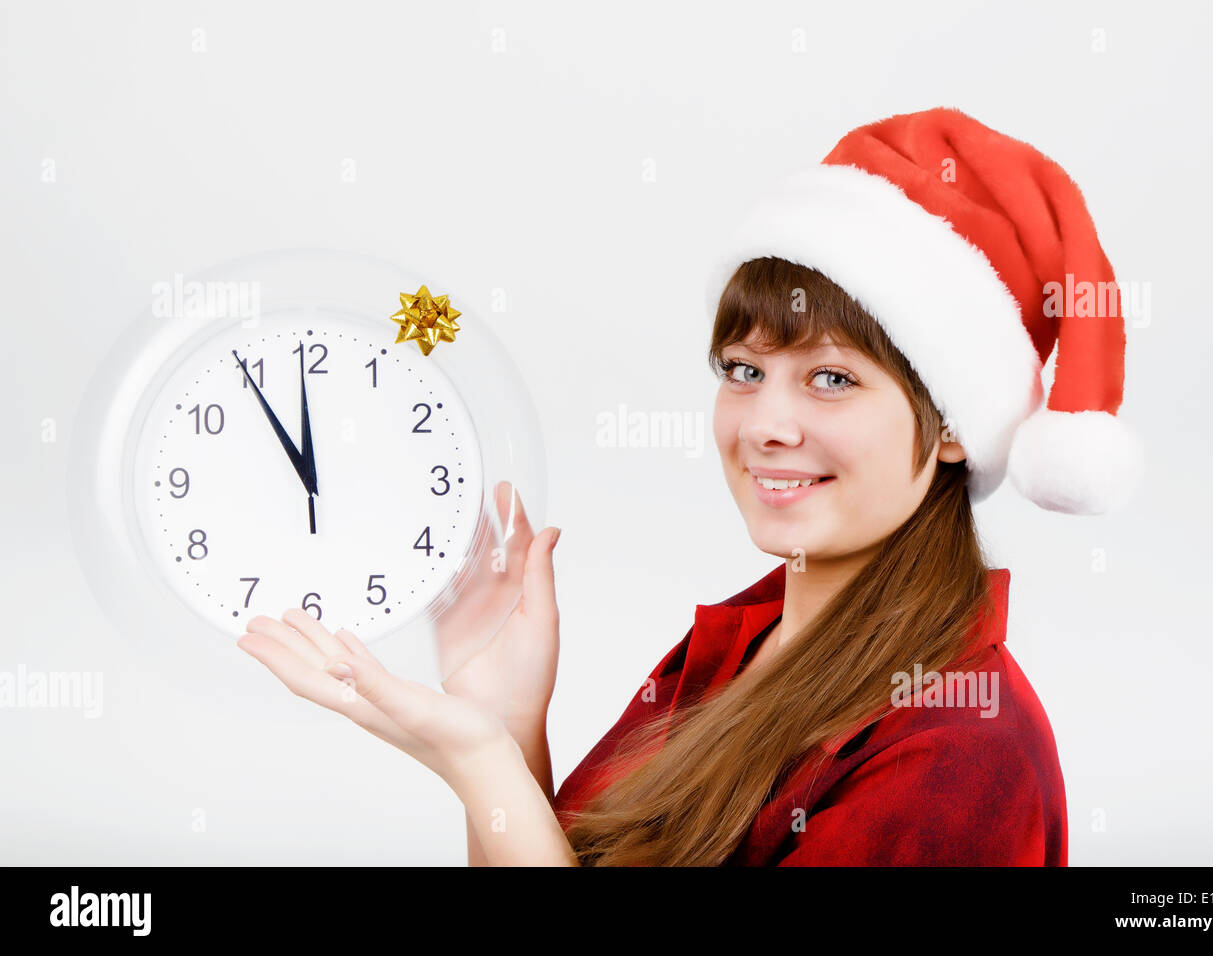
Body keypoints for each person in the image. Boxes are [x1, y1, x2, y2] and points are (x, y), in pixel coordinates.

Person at [235, 106, 1143, 866]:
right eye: (744, 370)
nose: (764, 424)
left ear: (950, 425)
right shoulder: (740, 648)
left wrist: (482, 767)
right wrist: (507, 726)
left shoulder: (963, 754)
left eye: (831, 378)